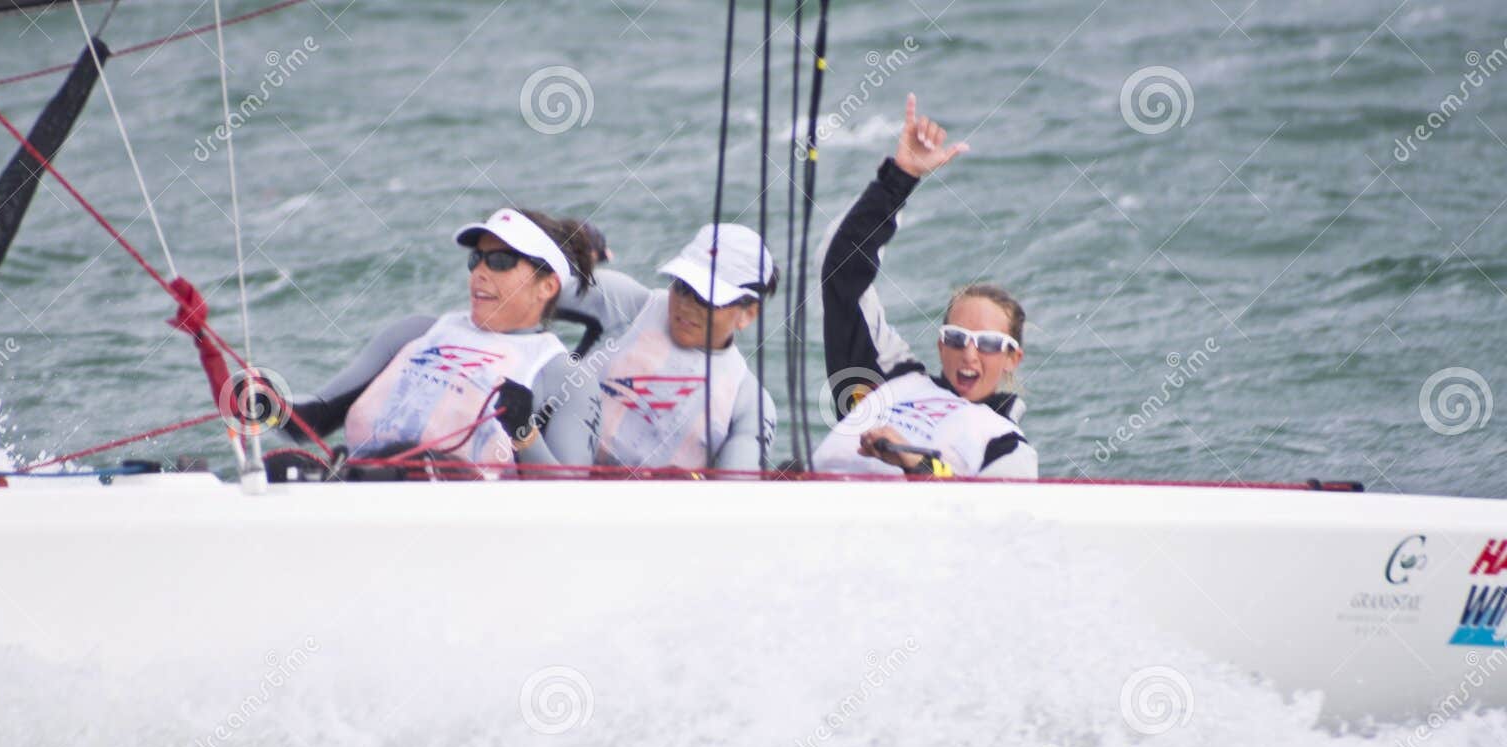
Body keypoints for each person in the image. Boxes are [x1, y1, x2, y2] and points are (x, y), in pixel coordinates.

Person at [811, 94, 1037, 480]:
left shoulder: (1006, 446)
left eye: (987, 343)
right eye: (956, 338)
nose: (969, 354)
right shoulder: (885, 377)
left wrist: (914, 462)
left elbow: (989, 515)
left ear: (1012, 358)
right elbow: (841, 270)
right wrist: (901, 177)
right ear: (940, 345)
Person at [284, 207, 598, 474]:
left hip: (459, 513)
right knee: (283, 467)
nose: (480, 272)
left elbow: (571, 496)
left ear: (547, 286)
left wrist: (524, 432)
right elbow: (312, 419)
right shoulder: (415, 333)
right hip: (359, 487)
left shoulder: (563, 376)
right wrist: (269, 403)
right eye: (476, 259)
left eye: (501, 261)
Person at [531, 222, 779, 474]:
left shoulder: (750, 403)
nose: (686, 305)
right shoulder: (625, 304)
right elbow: (522, 289)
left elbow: (736, 493)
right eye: (682, 286)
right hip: (549, 475)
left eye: (706, 298)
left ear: (748, 313)